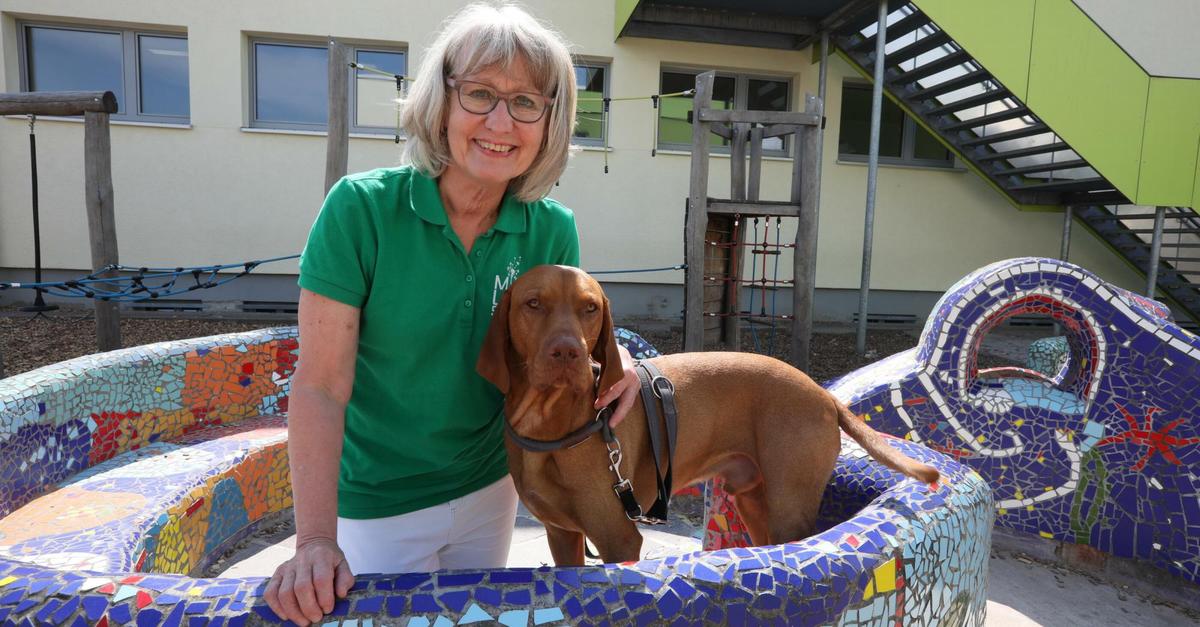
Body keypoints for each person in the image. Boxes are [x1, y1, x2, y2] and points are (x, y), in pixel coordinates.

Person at [263, 4, 640, 624]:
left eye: (526, 102)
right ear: (441, 100)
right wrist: (314, 542)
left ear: (549, 121)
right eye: (481, 93)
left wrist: (618, 367)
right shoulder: (359, 210)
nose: (500, 121)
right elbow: (321, 385)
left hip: (492, 487)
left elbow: (564, 348)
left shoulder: (552, 230)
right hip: (379, 502)